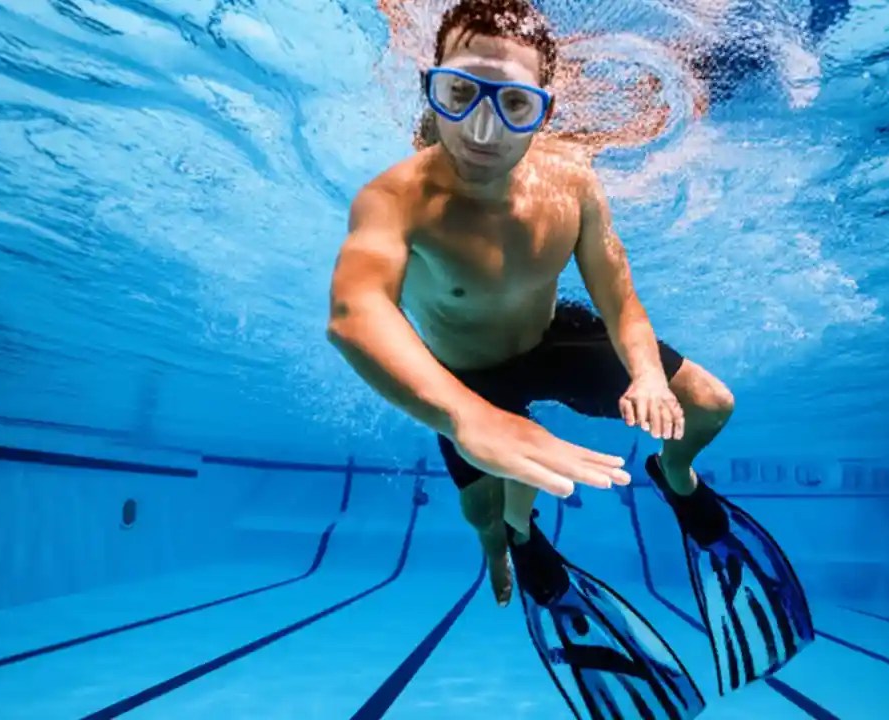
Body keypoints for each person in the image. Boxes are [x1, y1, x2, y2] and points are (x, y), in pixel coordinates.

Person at [328, 3, 813, 712]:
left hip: (555, 338)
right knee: (494, 515)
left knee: (710, 404)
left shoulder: (573, 180)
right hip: (466, 376)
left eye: (515, 104)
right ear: (433, 88)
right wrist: (467, 416)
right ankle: (511, 552)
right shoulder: (398, 198)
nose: (484, 131)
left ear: (544, 111)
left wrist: (647, 373)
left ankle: (674, 477)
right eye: (461, 94)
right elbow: (355, 313)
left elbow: (621, 302)